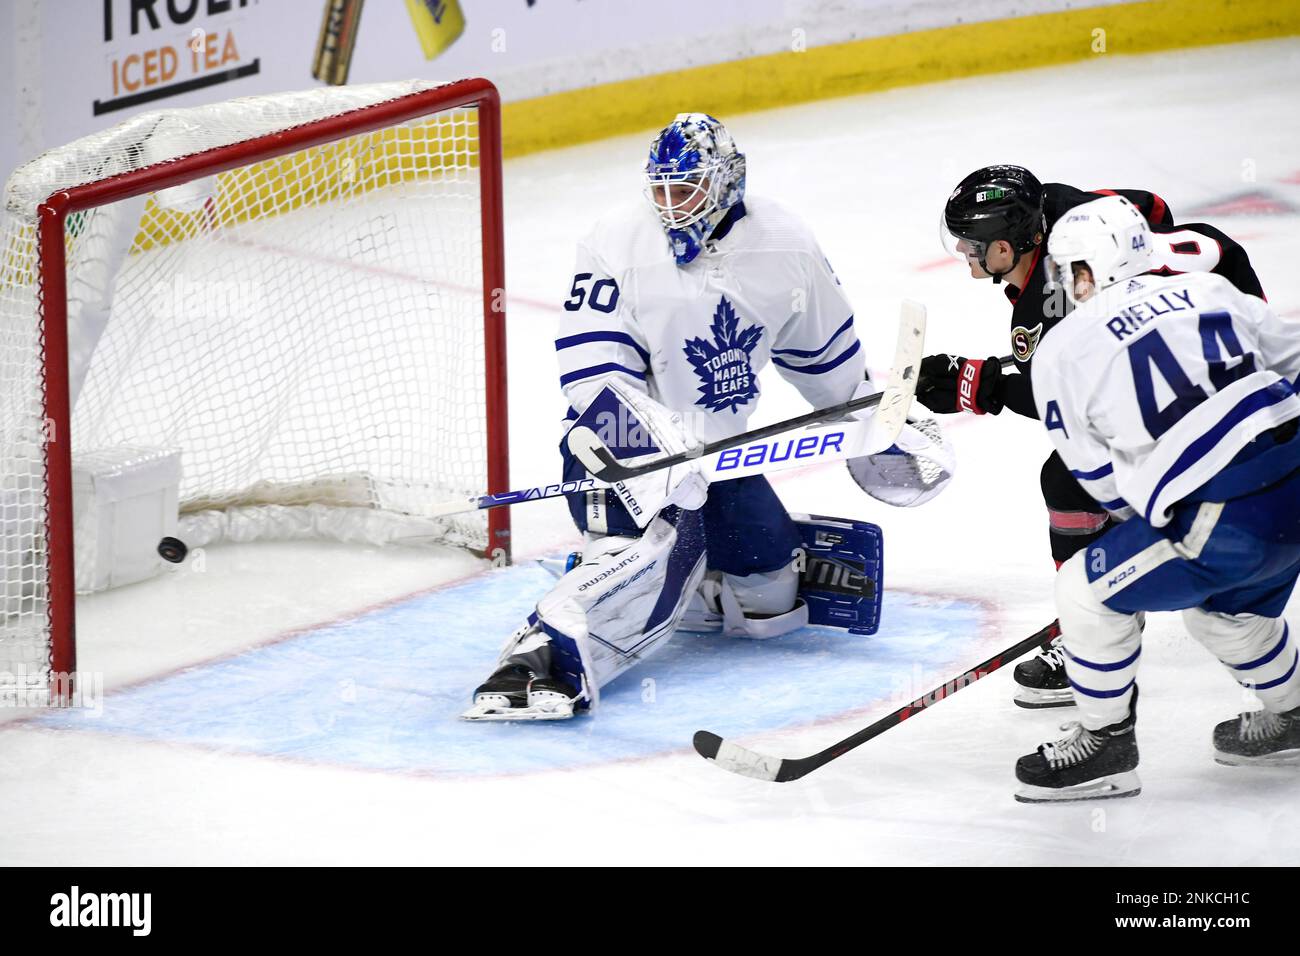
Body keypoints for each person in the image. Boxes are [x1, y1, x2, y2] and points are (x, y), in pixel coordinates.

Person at [462, 113, 953, 720]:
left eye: (685, 188)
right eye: (660, 189)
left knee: (769, 595)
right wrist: (653, 453)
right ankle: (540, 655)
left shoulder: (785, 246)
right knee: (659, 554)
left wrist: (878, 422)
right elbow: (593, 374)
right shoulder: (617, 239)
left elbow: (829, 366)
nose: (670, 205)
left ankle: (663, 576)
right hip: (617, 451)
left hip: (715, 459)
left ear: (725, 184)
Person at [920, 165, 1265, 708]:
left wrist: (977, 385)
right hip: (1220, 315)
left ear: (1010, 245)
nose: (963, 251)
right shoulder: (1061, 206)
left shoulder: (1056, 293)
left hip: (1206, 363)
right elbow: (1150, 204)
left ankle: (1089, 625)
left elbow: (1063, 399)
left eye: (973, 243)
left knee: (1069, 479)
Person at [1011, 195, 1300, 801]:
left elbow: (1096, 479)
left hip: (1229, 517)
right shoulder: (1211, 290)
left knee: (1085, 595)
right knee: (1227, 615)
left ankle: (1105, 747)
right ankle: (1295, 715)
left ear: (1084, 270)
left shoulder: (1062, 348)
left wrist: (1144, 530)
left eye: (1067, 273)